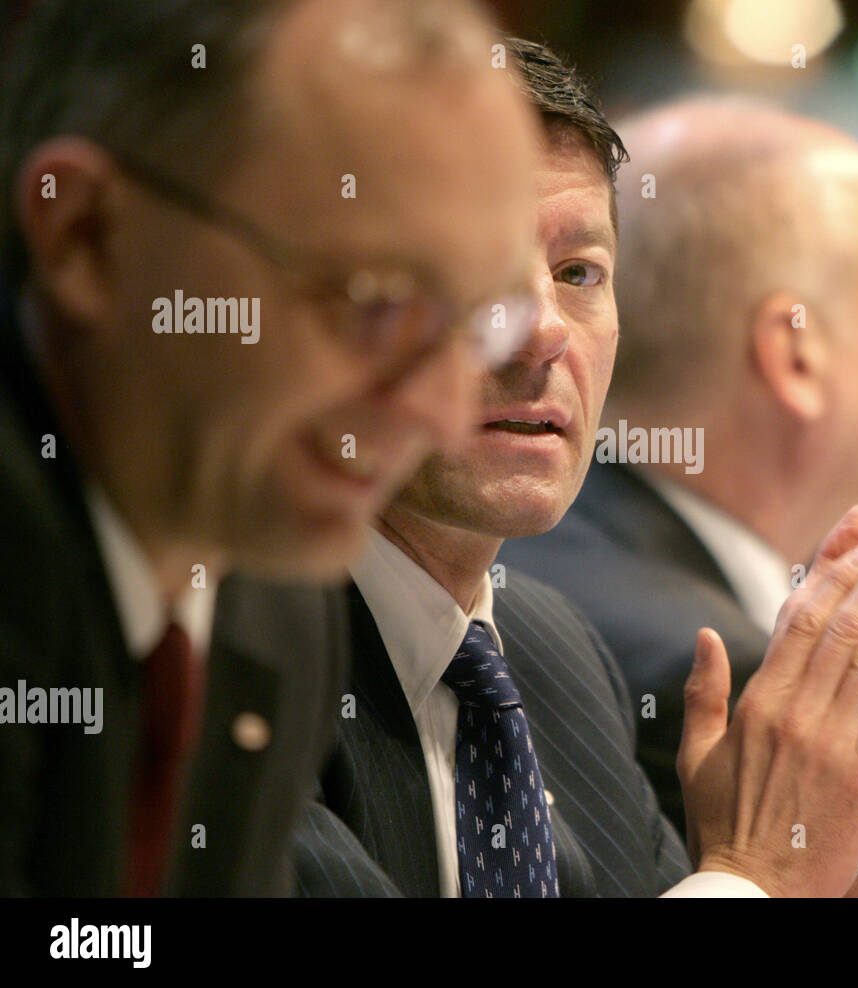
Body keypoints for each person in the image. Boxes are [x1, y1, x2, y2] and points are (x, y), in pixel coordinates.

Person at [297, 51, 858, 898]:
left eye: (578, 273)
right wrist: (762, 872)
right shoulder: (240, 649)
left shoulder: (553, 656)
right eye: (480, 270)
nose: (543, 331)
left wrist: (838, 838)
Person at [0, 0, 539, 895]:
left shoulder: (275, 604)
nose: (444, 417)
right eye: (374, 303)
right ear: (85, 236)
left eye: (481, 322)